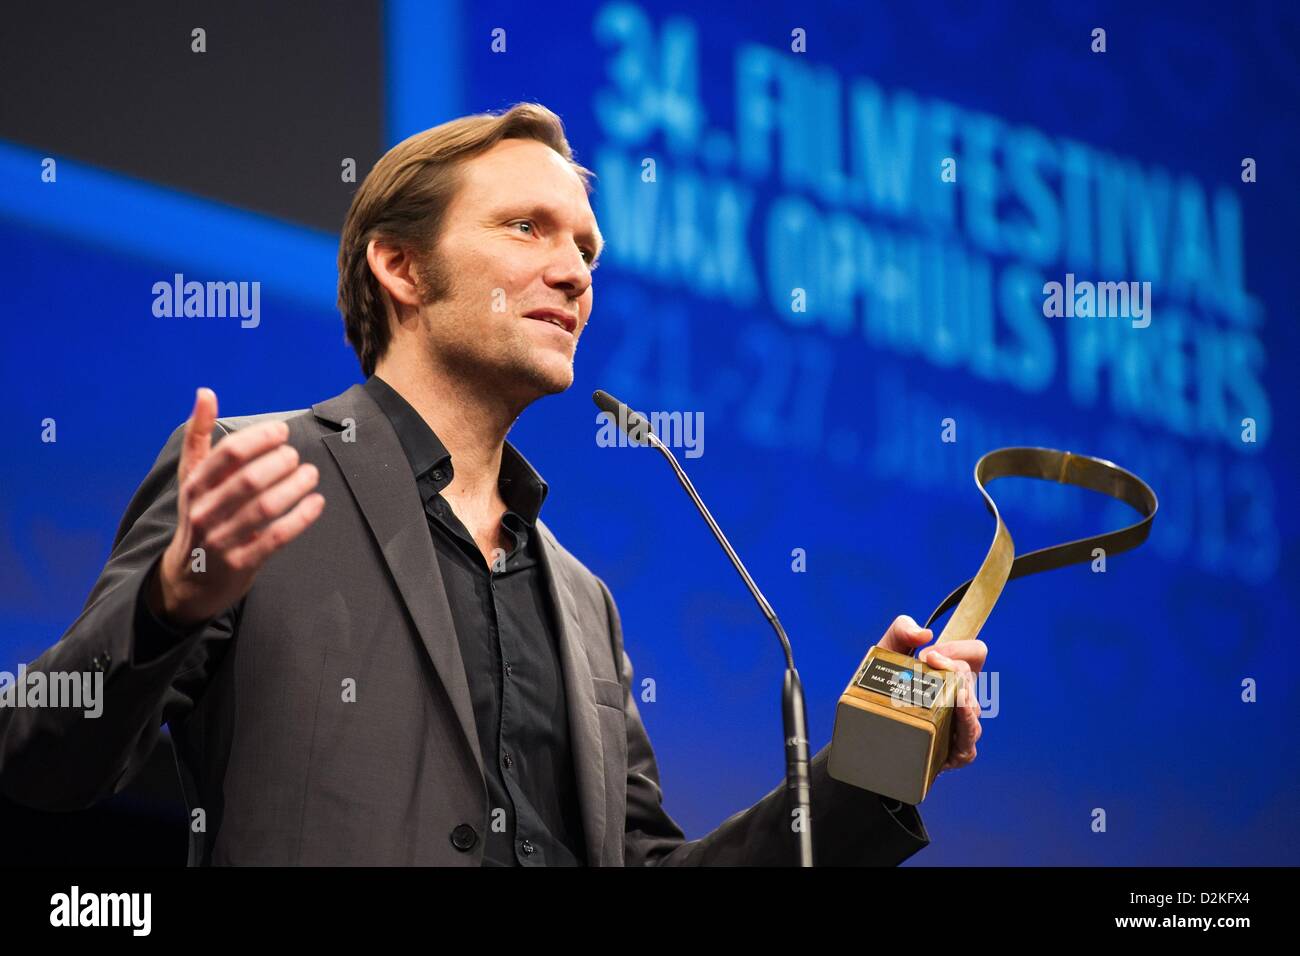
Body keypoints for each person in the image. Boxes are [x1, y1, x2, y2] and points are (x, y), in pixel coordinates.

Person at [0, 103, 985, 865]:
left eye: (587, 248)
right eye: (528, 228)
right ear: (400, 265)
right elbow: (41, 763)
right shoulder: (257, 471)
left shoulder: (581, 599)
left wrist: (870, 762)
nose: (574, 271)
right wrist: (168, 606)